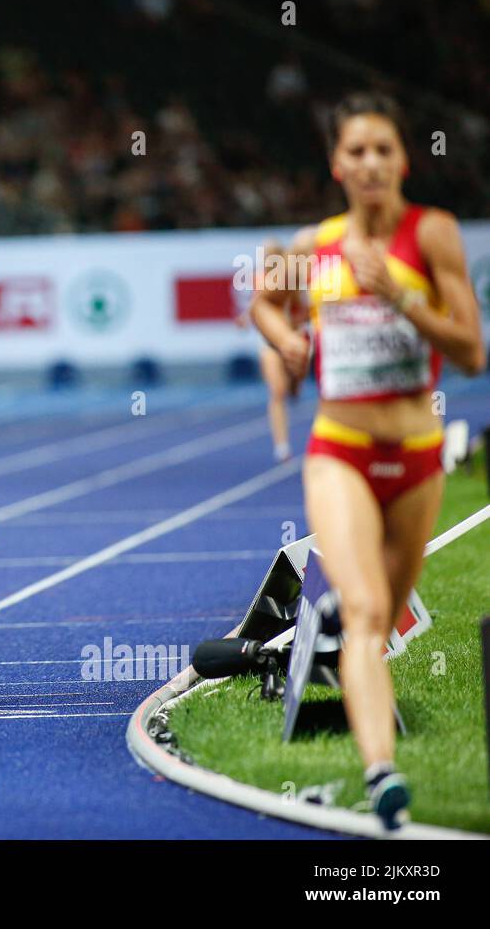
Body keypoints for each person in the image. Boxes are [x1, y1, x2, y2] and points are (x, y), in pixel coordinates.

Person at [251, 92, 485, 829]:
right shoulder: (311, 247)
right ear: (337, 164)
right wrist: (285, 341)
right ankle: (383, 774)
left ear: (405, 160)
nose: (372, 162)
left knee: (383, 615)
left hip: (416, 456)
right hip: (340, 451)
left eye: (385, 148)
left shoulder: (434, 234)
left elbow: (473, 353)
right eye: (357, 150)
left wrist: (402, 299)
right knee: (361, 611)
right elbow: (261, 299)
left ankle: (378, 748)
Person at [236, 239, 308, 461]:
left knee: (292, 386)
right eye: (265, 258)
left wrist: (294, 325)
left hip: (291, 339)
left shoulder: (291, 283)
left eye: (272, 257)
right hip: (269, 344)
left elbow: (301, 310)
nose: (267, 261)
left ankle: (295, 384)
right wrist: (246, 318)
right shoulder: (260, 281)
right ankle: (282, 446)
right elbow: (256, 306)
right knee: (277, 391)